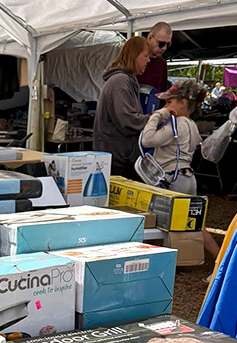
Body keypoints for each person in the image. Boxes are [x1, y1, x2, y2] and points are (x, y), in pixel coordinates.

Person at [140, 78, 219, 258]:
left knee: (166, 225)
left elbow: (147, 139)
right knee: (196, 224)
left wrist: (158, 115)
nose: (165, 105)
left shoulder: (177, 125)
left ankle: (172, 260)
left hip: (171, 179)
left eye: (169, 101)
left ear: (183, 103)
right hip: (187, 177)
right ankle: (219, 258)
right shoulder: (192, 126)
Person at [93, 36, 151, 178]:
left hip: (119, 158)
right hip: (117, 161)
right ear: (134, 55)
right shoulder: (120, 81)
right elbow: (128, 121)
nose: (148, 61)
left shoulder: (126, 80)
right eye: (146, 56)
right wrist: (158, 117)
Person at [136, 22, 172, 113]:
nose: (164, 48)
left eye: (168, 44)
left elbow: (162, 93)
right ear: (150, 37)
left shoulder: (162, 63)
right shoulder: (135, 58)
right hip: (132, 115)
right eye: (161, 43)